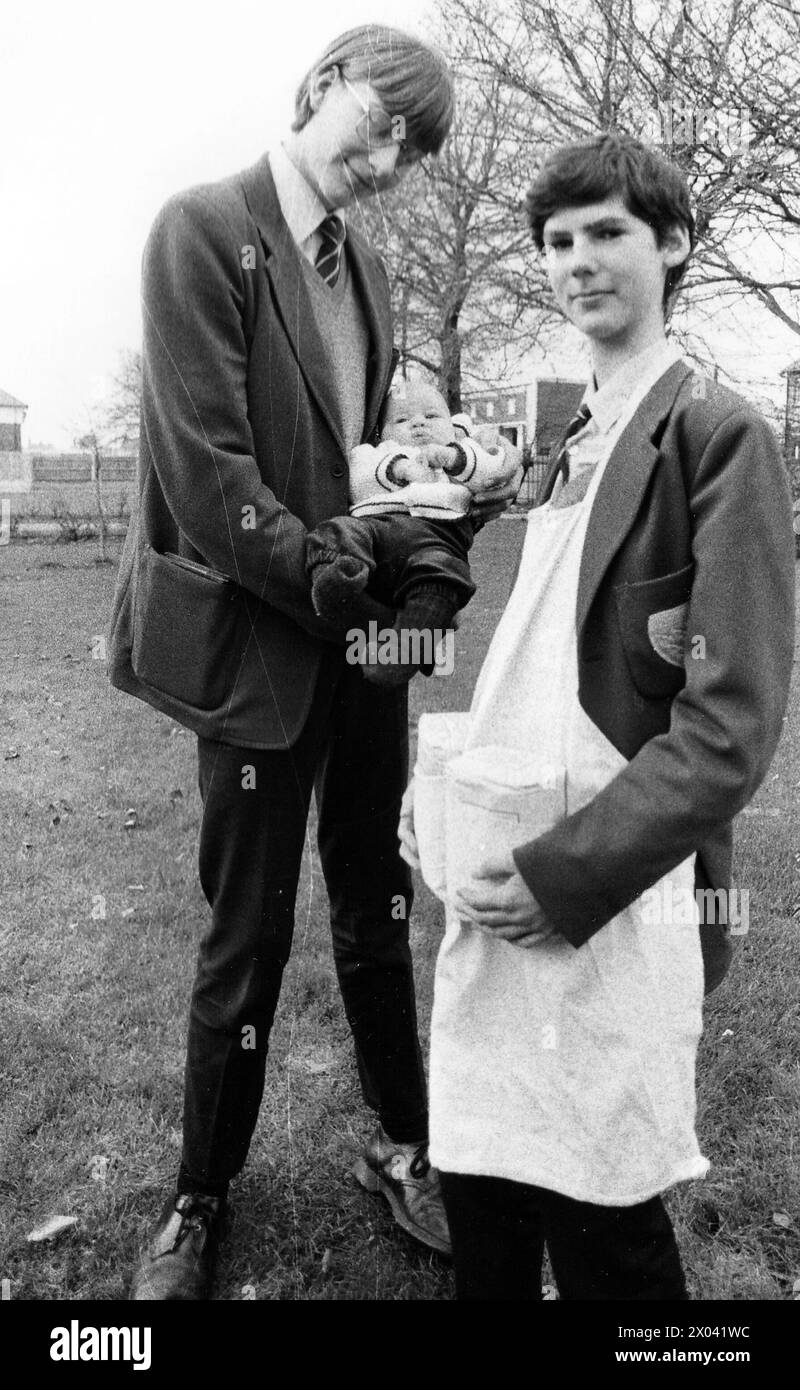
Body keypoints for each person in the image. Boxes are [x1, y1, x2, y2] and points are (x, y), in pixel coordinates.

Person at [106, 24, 520, 1300]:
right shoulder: (200, 229)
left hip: (354, 656)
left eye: (414, 147)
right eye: (383, 120)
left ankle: (404, 1146)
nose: (390, 157)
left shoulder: (373, 272)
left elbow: (341, 464)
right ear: (324, 84)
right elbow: (211, 480)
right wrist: (342, 581)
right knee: (247, 932)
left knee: (375, 906)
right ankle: (197, 1198)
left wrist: (441, 487)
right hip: (256, 644)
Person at [400, 132, 796, 1300]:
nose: (576, 260)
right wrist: (439, 800)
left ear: (670, 243)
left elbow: (725, 725)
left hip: (609, 899)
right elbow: (525, 666)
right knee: (480, 1180)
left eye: (606, 232)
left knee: (602, 1221)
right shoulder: (569, 441)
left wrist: (569, 875)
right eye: (557, 240)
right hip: (502, 870)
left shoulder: (718, 435)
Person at [306, 380, 510, 685]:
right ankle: (336, 574)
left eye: (432, 416)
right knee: (338, 531)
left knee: (440, 571)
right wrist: (400, 469)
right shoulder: (378, 453)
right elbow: (358, 478)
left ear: (454, 427)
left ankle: (409, 645)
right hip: (374, 528)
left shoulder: (464, 449)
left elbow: (491, 471)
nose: (418, 423)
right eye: (401, 420)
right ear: (383, 432)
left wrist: (453, 459)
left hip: (437, 533)